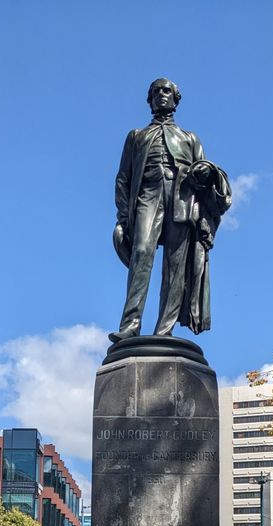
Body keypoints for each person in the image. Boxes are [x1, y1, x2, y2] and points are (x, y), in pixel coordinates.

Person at [112, 78, 232, 341]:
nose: (161, 95)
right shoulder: (137, 137)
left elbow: (205, 172)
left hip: (182, 198)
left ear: (176, 99)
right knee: (141, 252)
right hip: (148, 194)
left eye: (166, 91)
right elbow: (123, 179)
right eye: (155, 92)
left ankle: (164, 330)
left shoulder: (189, 138)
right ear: (149, 100)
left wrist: (206, 170)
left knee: (175, 266)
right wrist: (123, 216)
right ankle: (130, 325)